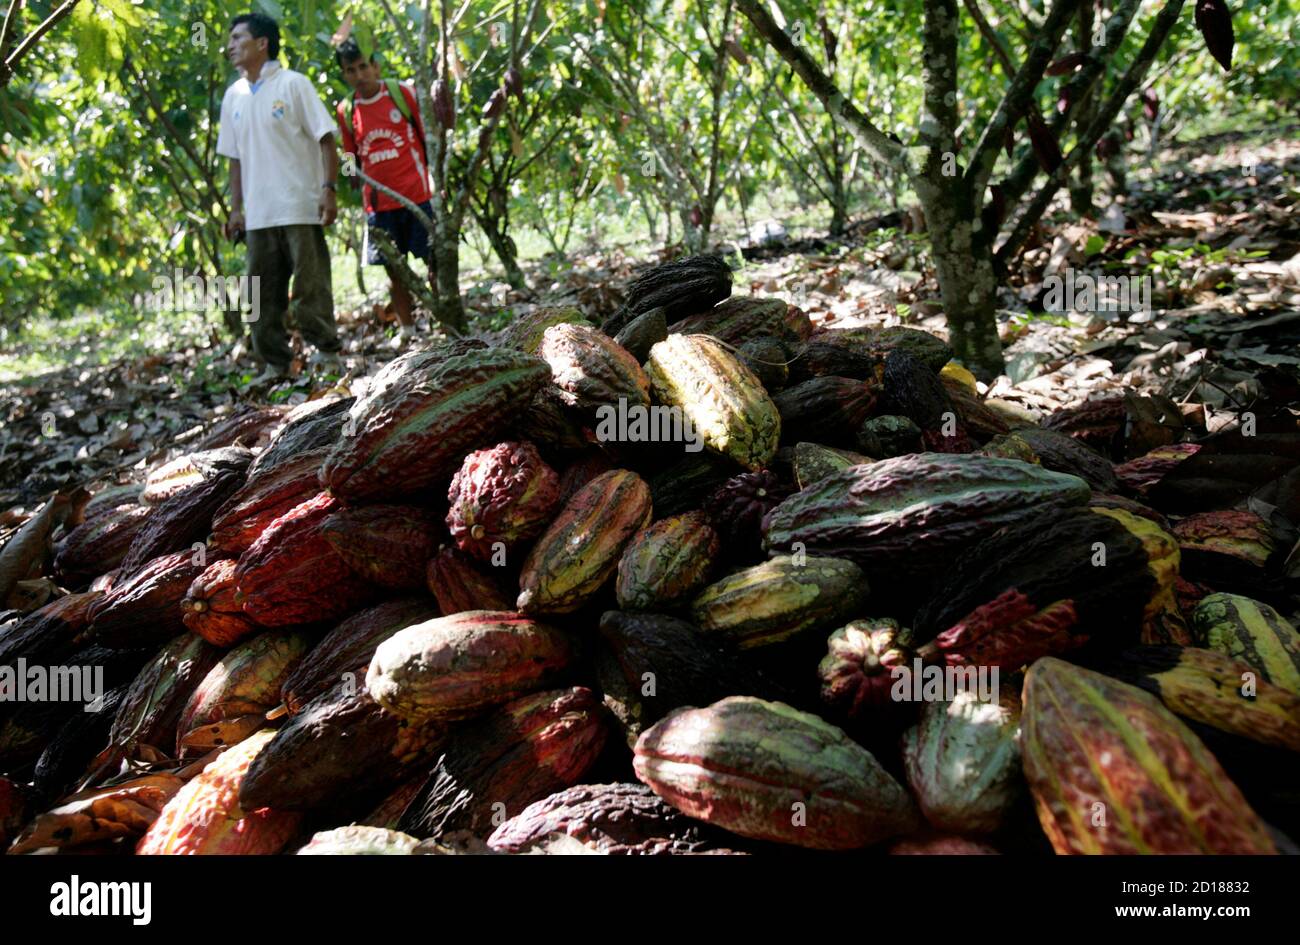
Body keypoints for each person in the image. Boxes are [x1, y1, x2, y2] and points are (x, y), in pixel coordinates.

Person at [217, 12, 343, 381]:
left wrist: (328, 190)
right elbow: (235, 160)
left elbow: (326, 139)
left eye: (239, 38)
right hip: (258, 214)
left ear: (262, 43)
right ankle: (276, 364)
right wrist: (236, 209)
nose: (232, 45)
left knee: (311, 286)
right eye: (231, 39)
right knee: (261, 295)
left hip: (299, 205)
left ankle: (327, 355)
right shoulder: (234, 96)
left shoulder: (293, 84)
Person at [334, 38, 433, 349]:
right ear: (344, 75)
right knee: (395, 270)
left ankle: (444, 319)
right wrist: (351, 180)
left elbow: (426, 134)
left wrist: (436, 181)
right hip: (379, 205)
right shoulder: (346, 110)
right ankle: (407, 328)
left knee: (435, 262)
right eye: (351, 70)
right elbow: (350, 154)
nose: (359, 75)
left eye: (364, 66)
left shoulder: (401, 93)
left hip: (417, 195)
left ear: (375, 65)